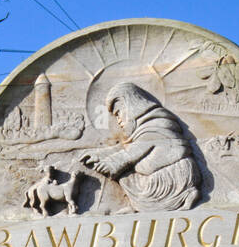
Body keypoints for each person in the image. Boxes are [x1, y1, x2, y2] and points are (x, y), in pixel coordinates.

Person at [82, 82, 202, 212]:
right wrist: (98, 155)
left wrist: (112, 163)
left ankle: (180, 196)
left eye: (118, 113)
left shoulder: (153, 125)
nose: (118, 121)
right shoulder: (146, 127)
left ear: (130, 107)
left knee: (125, 174)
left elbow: (132, 152)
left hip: (172, 178)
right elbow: (128, 148)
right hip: (168, 176)